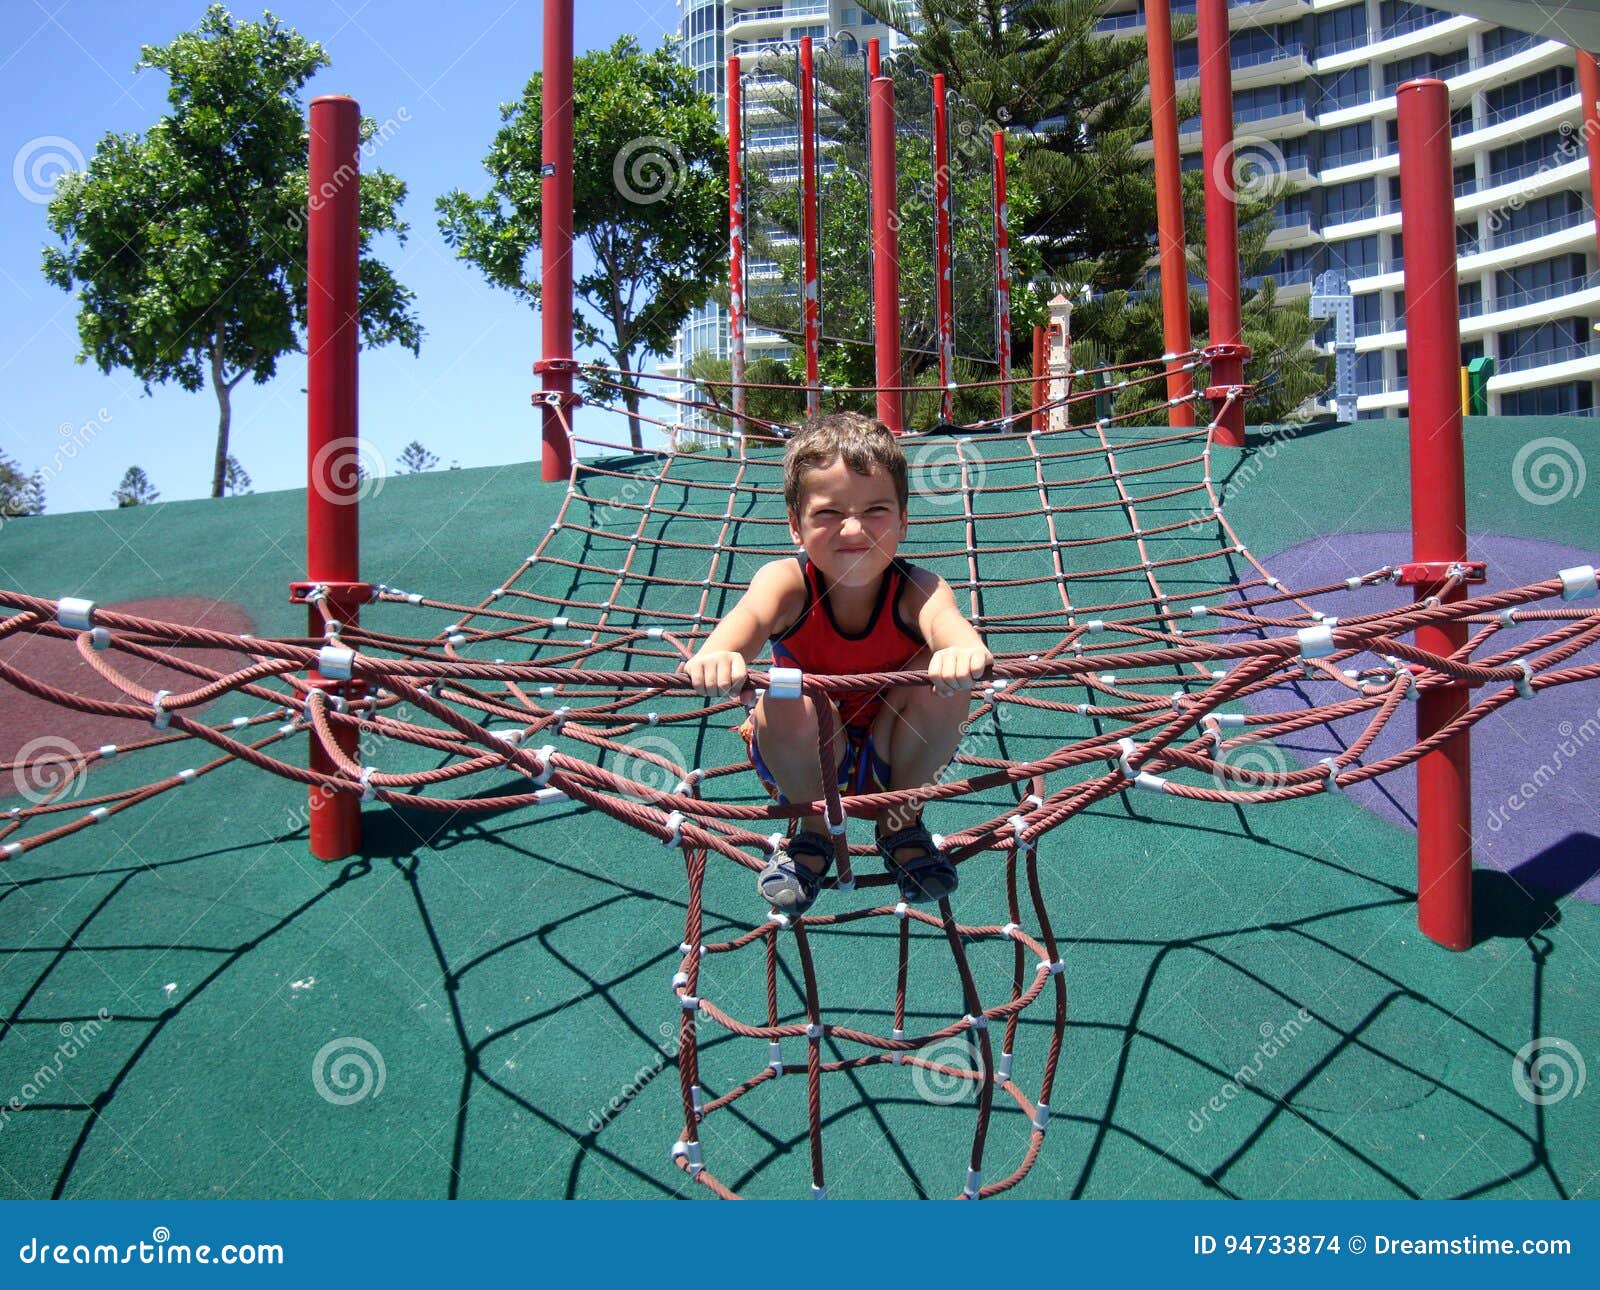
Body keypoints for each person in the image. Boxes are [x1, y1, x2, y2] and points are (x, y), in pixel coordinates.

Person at [683, 411, 993, 914]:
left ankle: (901, 821)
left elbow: (952, 630)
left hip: (893, 758)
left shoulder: (919, 588)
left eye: (875, 510)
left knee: (945, 678)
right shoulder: (785, 582)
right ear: (795, 526)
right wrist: (719, 657)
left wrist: (960, 650)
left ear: (903, 520)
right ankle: (812, 831)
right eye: (828, 513)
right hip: (802, 756)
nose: (853, 529)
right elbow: (740, 628)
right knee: (787, 690)